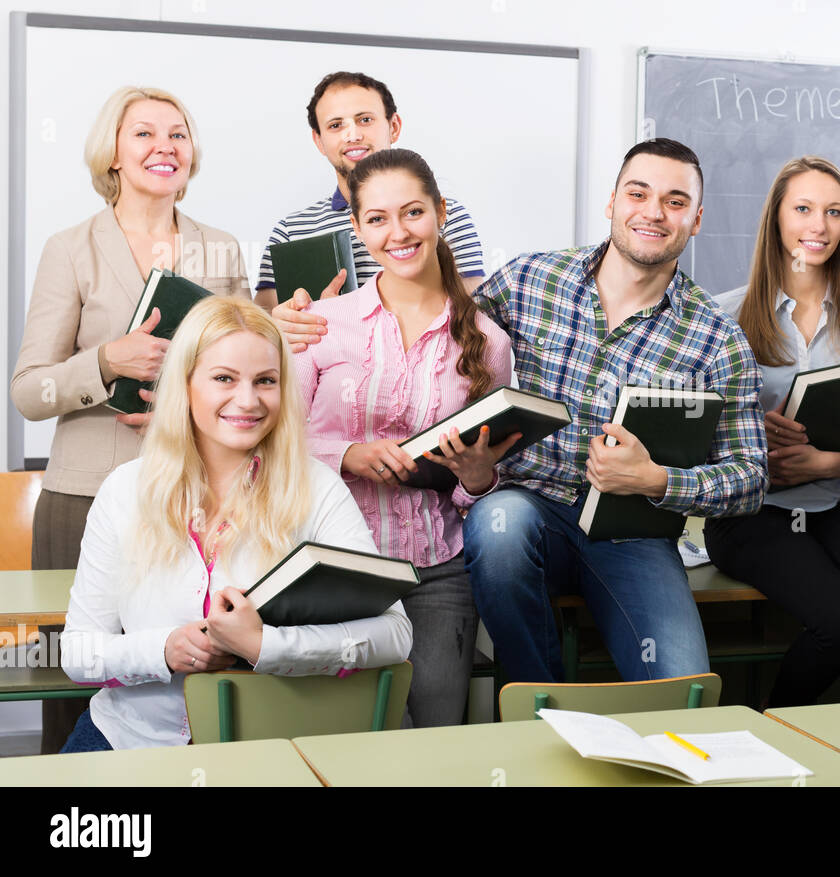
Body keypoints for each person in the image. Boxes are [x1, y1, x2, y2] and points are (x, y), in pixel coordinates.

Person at [463, 138, 765, 684]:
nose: (653, 212)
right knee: (497, 525)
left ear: (696, 220)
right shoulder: (527, 282)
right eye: (638, 193)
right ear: (611, 202)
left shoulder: (717, 338)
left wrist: (656, 479)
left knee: (681, 687)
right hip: (528, 512)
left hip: (635, 535)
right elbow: (440, 350)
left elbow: (750, 478)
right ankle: (538, 705)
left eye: (675, 201)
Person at [9, 85, 251, 752]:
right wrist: (108, 360)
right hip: (85, 497)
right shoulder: (71, 248)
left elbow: (242, 369)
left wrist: (192, 408)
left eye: (177, 133)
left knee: (187, 679)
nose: (163, 146)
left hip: (196, 498)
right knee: (76, 683)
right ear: (112, 152)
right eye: (143, 133)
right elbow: (29, 391)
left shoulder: (222, 249)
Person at [59, 296, 412, 751]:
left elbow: (395, 635)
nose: (247, 401)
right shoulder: (124, 490)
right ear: (185, 385)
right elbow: (78, 652)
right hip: (130, 738)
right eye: (224, 378)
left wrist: (265, 645)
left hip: (267, 745)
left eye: (266, 381)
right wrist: (165, 650)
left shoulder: (317, 487)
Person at [294, 148, 514, 727]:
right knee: (338, 732)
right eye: (377, 219)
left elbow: (493, 480)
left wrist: (477, 477)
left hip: (435, 571)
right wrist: (348, 453)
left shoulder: (488, 341)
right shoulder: (321, 322)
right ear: (357, 227)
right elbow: (272, 448)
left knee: (434, 732)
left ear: (440, 212)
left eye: (413, 212)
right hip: (329, 565)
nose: (398, 232)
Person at [707, 156, 840, 707]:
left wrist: (824, 463)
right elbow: (694, 435)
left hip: (830, 502)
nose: (818, 226)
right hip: (749, 513)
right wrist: (753, 442)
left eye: (833, 212)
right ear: (776, 219)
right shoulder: (722, 317)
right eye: (803, 209)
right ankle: (772, 734)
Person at [256, 70, 486, 312]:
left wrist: (351, 321)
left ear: (393, 126)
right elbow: (264, 327)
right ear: (319, 140)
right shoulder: (290, 232)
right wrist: (288, 325)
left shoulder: (444, 216)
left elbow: (471, 318)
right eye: (335, 125)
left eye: (365, 120)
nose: (352, 135)